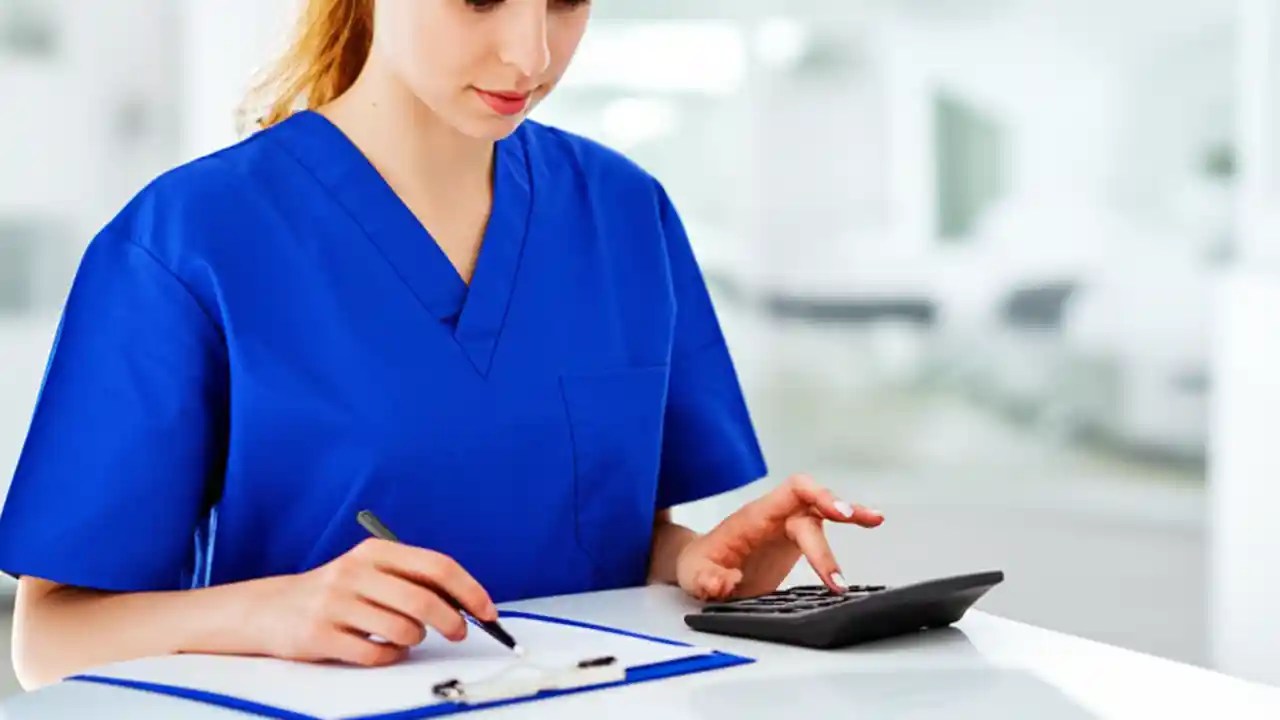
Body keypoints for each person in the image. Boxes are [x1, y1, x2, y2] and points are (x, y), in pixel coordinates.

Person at [0, 0, 883, 689]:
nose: (531, 54)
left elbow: (610, 536)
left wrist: (697, 562)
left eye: (568, 2)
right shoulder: (189, 239)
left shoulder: (624, 212)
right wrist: (277, 614)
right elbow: (49, 640)